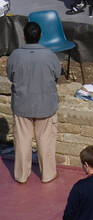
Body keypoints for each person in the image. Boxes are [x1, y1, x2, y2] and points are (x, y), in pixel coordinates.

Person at [7, 19, 61, 185]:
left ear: (24, 36)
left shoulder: (15, 55)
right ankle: (48, 174)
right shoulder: (50, 55)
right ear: (40, 36)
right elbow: (56, 76)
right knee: (46, 141)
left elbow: (11, 76)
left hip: (22, 105)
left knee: (22, 141)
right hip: (46, 106)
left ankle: (21, 175)